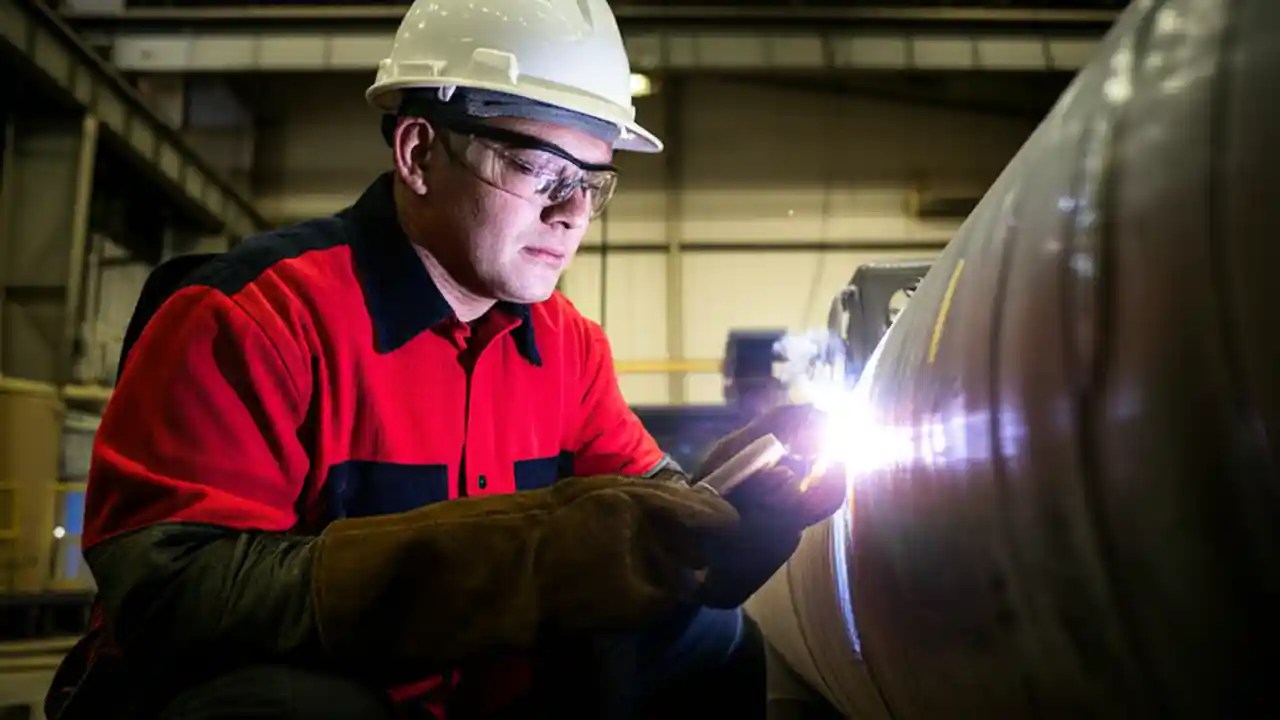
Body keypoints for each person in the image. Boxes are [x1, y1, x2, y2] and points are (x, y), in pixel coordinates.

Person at [43, 0, 846, 718]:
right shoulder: (251, 318)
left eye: (594, 183)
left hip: (462, 695)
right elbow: (171, 593)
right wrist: (508, 561)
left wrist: (722, 514)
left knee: (706, 638)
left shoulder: (566, 348)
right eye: (539, 169)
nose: (571, 214)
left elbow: (640, 507)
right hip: (263, 694)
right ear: (420, 152)